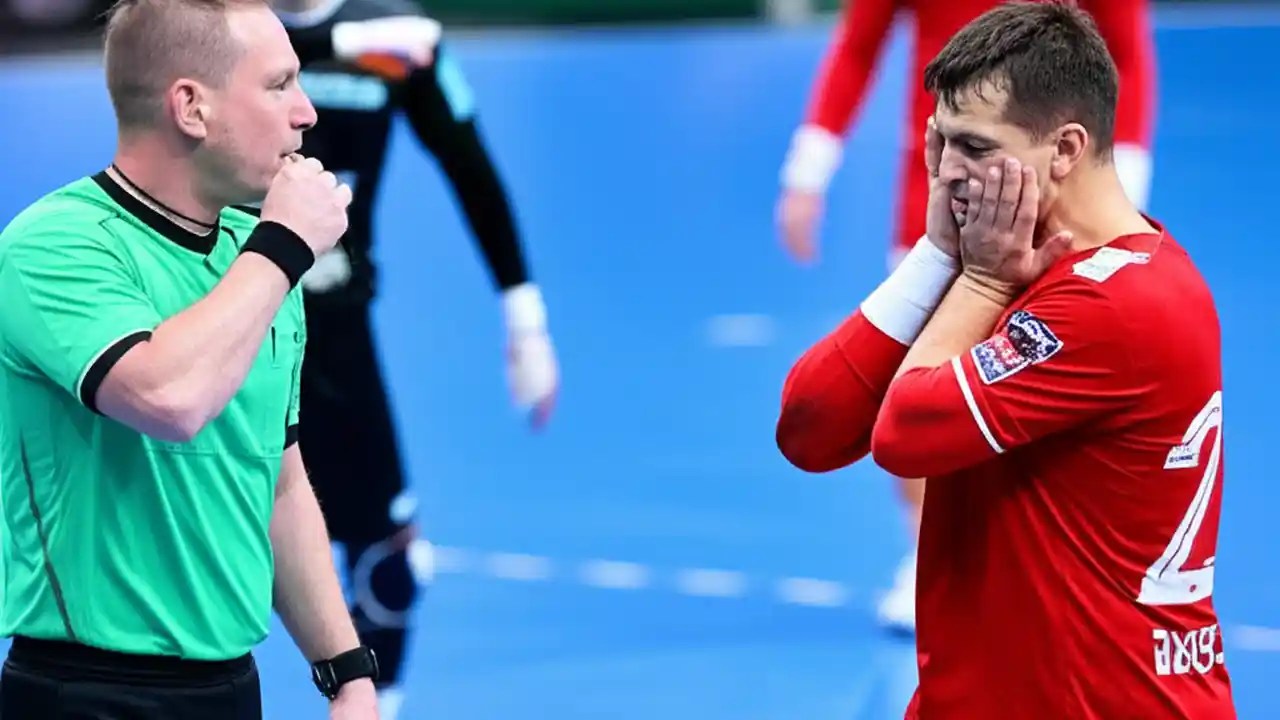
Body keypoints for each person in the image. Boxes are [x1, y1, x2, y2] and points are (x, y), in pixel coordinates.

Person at [776, 2, 1236, 716]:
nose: (949, 176)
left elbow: (903, 433)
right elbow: (809, 425)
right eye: (940, 146)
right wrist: (937, 258)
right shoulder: (1009, 261)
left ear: (1065, 149)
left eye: (976, 150)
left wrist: (979, 280)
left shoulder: (1114, 302)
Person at [0, 0, 382, 717]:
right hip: (85, 694)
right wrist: (283, 249)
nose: (305, 113)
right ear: (191, 108)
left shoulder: (261, 259)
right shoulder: (54, 246)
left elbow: (280, 483)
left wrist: (348, 670)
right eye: (278, 85)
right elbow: (169, 399)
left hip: (230, 688)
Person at [260, 2, 561, 717]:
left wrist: (526, 318)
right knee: (206, 541)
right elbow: (170, 54)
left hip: (336, 327)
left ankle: (377, 706)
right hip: (232, 322)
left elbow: (471, 167)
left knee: (388, 558)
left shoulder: (397, 39)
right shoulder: (229, 23)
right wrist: (345, 42)